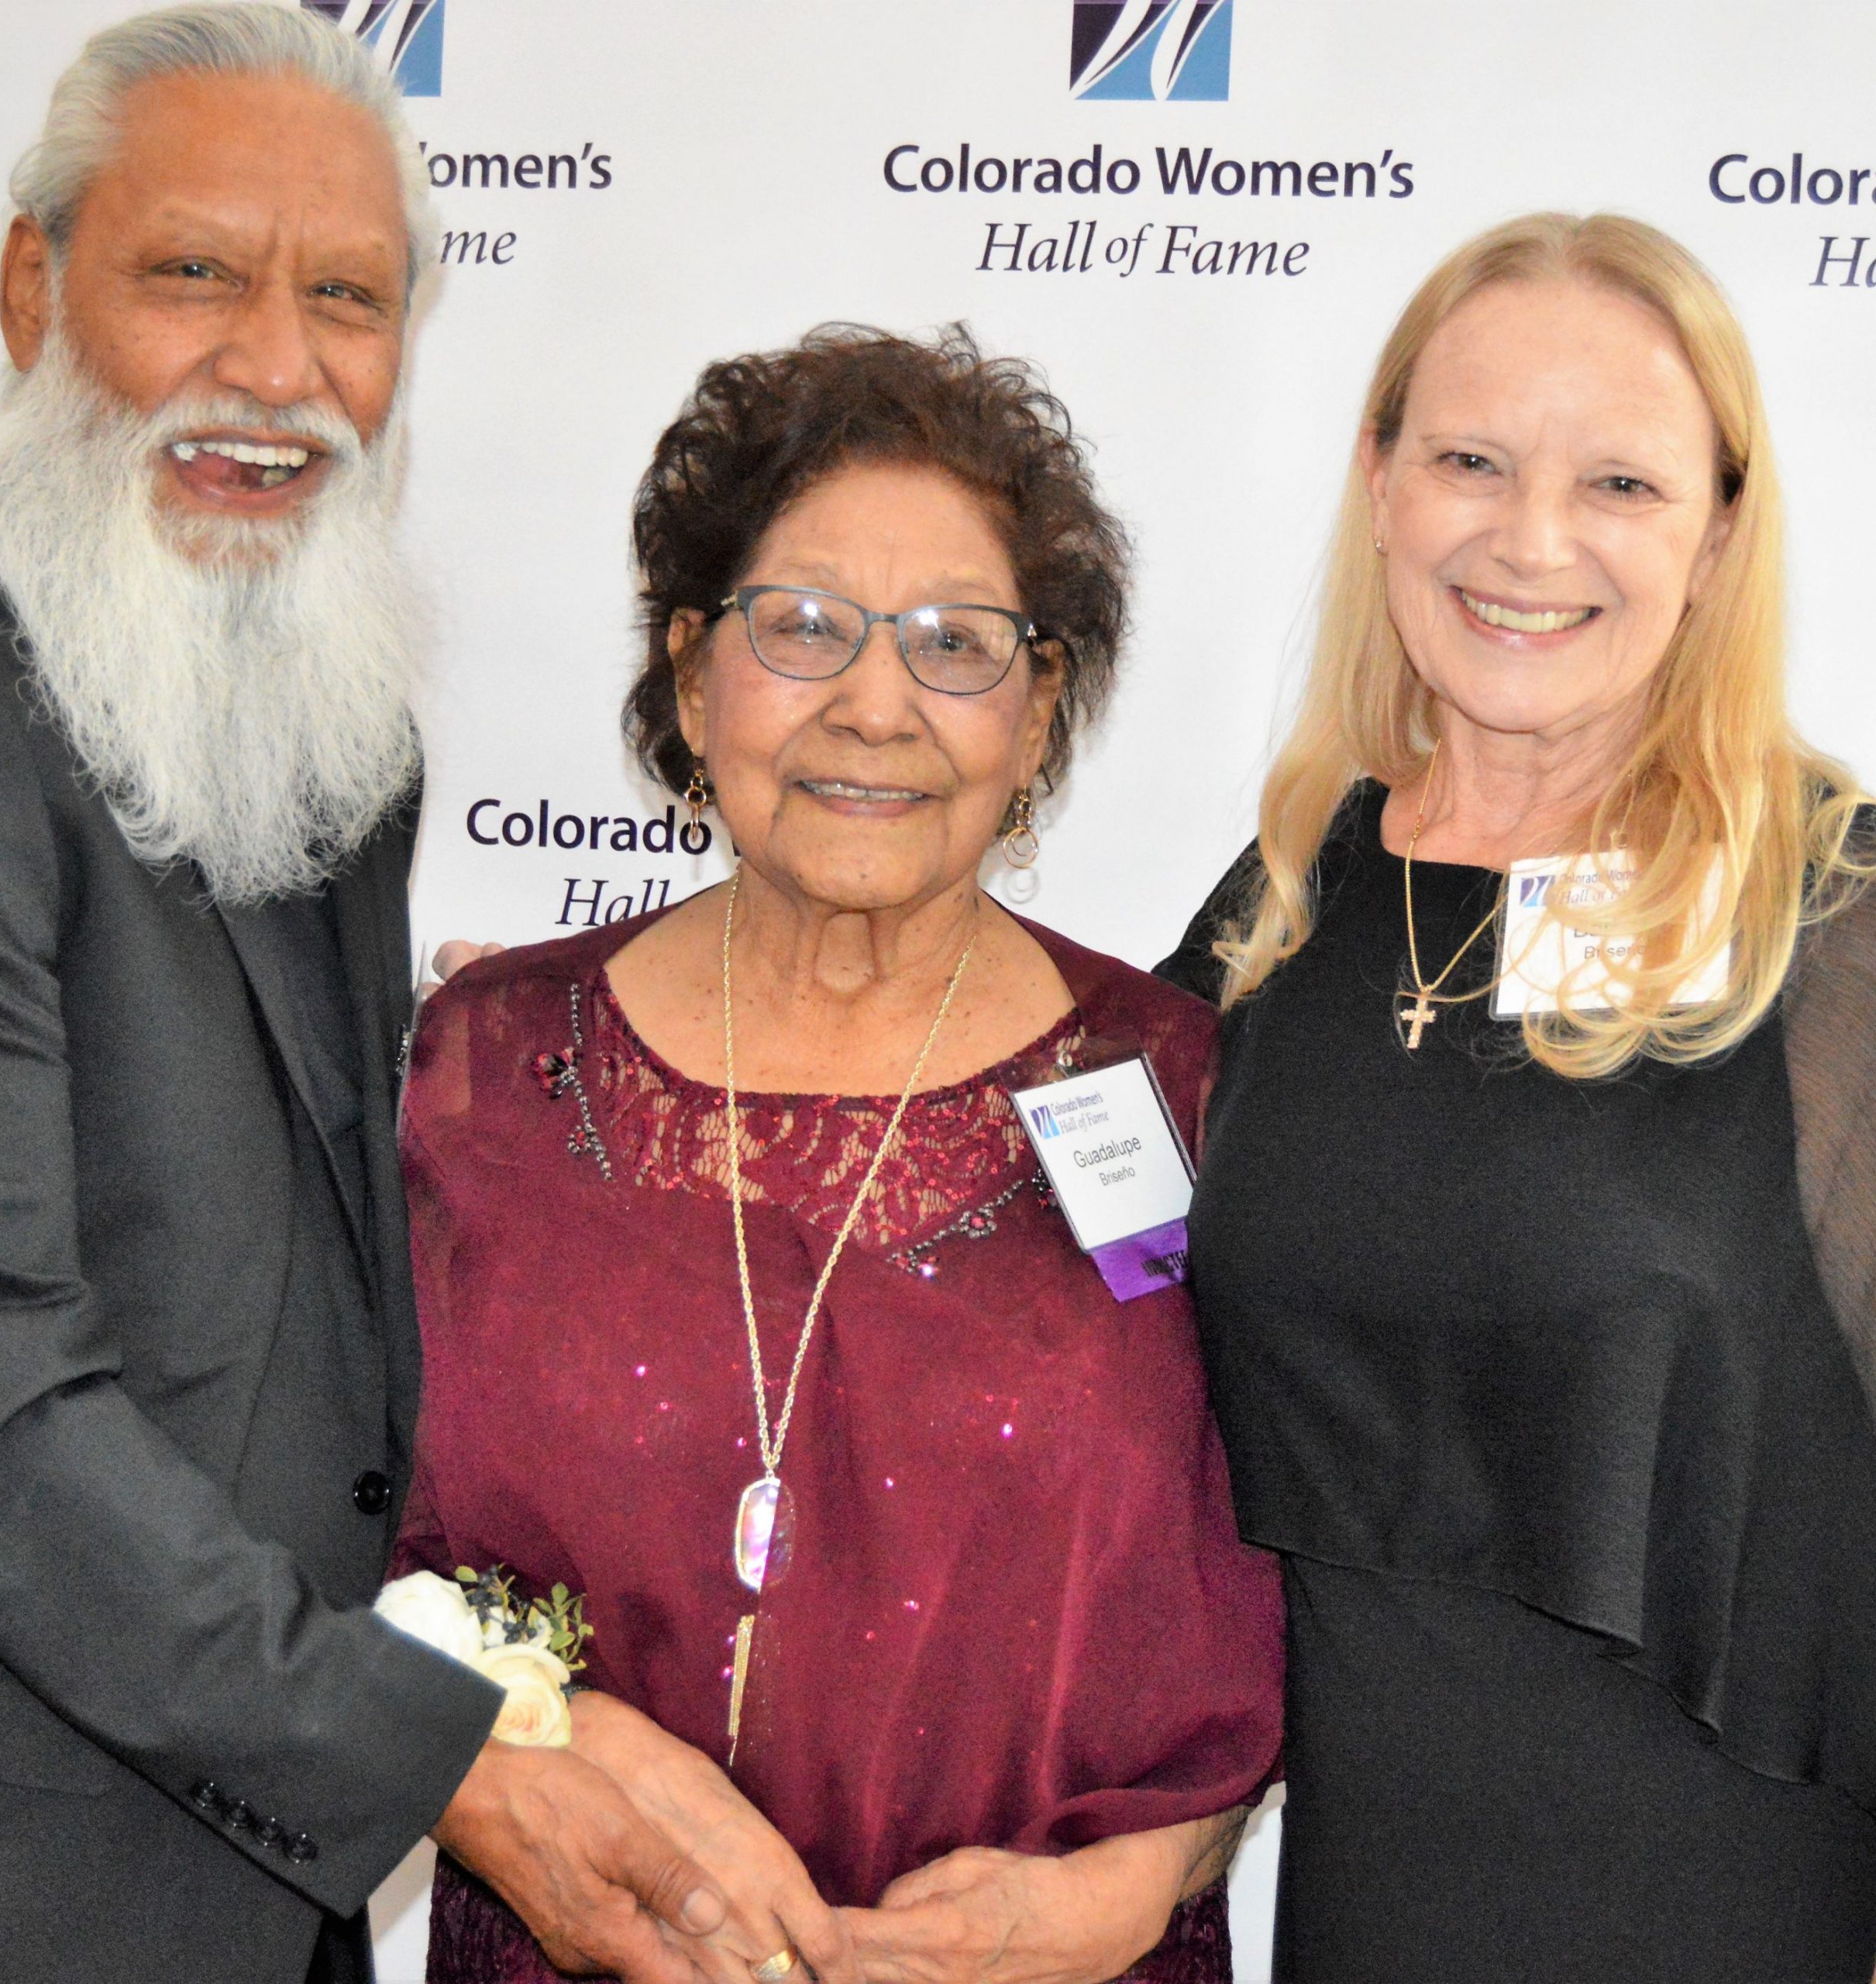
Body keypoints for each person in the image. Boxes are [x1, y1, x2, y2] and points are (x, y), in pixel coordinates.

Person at [399, 324, 1284, 1984]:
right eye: (801, 626)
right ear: (690, 675)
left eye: (956, 644)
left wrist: (1139, 1882)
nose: (876, 705)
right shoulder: (483, 1072)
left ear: (1038, 711)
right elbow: (330, 1527)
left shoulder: (1187, 1092)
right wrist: (522, 1732)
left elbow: (1297, 1578)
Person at [1160, 211, 1876, 1981]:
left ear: (1716, 536)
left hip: (1745, 1918)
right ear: (1378, 479)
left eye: (1619, 482)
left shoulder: (1840, 915)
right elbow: (1064, 1281)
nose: (1530, 540)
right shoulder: (1292, 899)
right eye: (1470, 459)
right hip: (1367, 1911)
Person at [0, 10, 725, 1982]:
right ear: (31, 290)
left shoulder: (337, 733)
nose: (277, 369)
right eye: (192, 274)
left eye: (346, 296)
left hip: (263, 1874)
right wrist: (437, 1759)